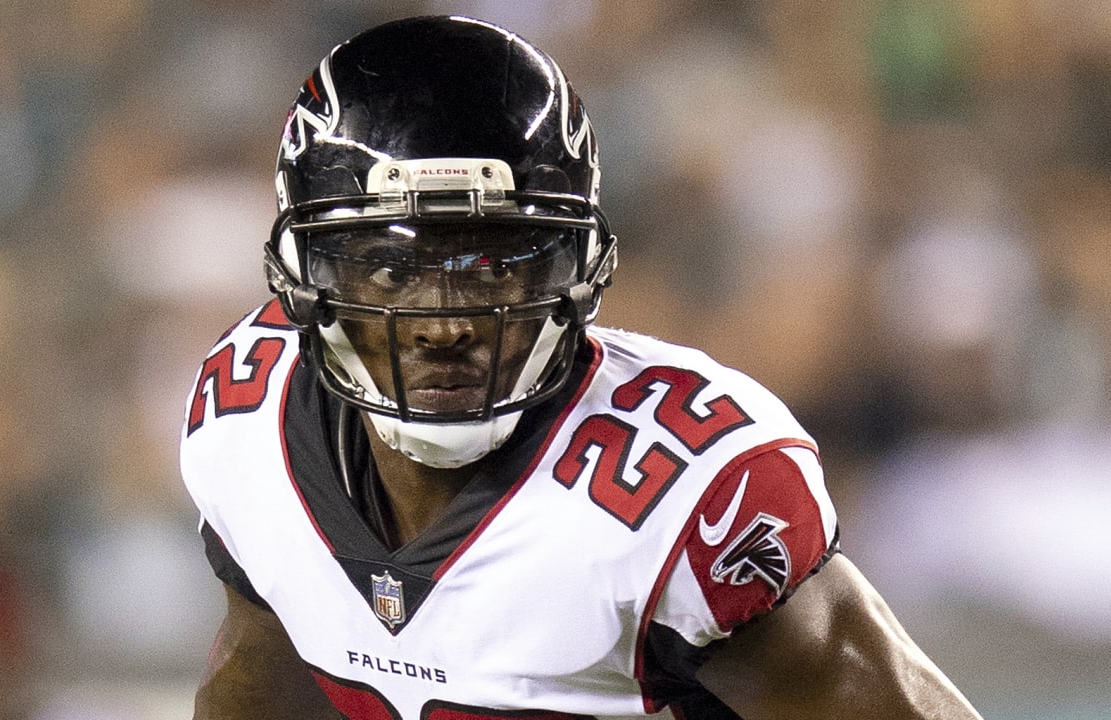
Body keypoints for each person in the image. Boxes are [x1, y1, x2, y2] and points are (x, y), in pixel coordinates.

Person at [179, 15, 983, 719]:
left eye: (493, 267)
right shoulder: (251, 420)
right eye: (392, 270)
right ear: (309, 277)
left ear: (571, 270)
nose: (448, 323)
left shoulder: (676, 490)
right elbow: (264, 679)